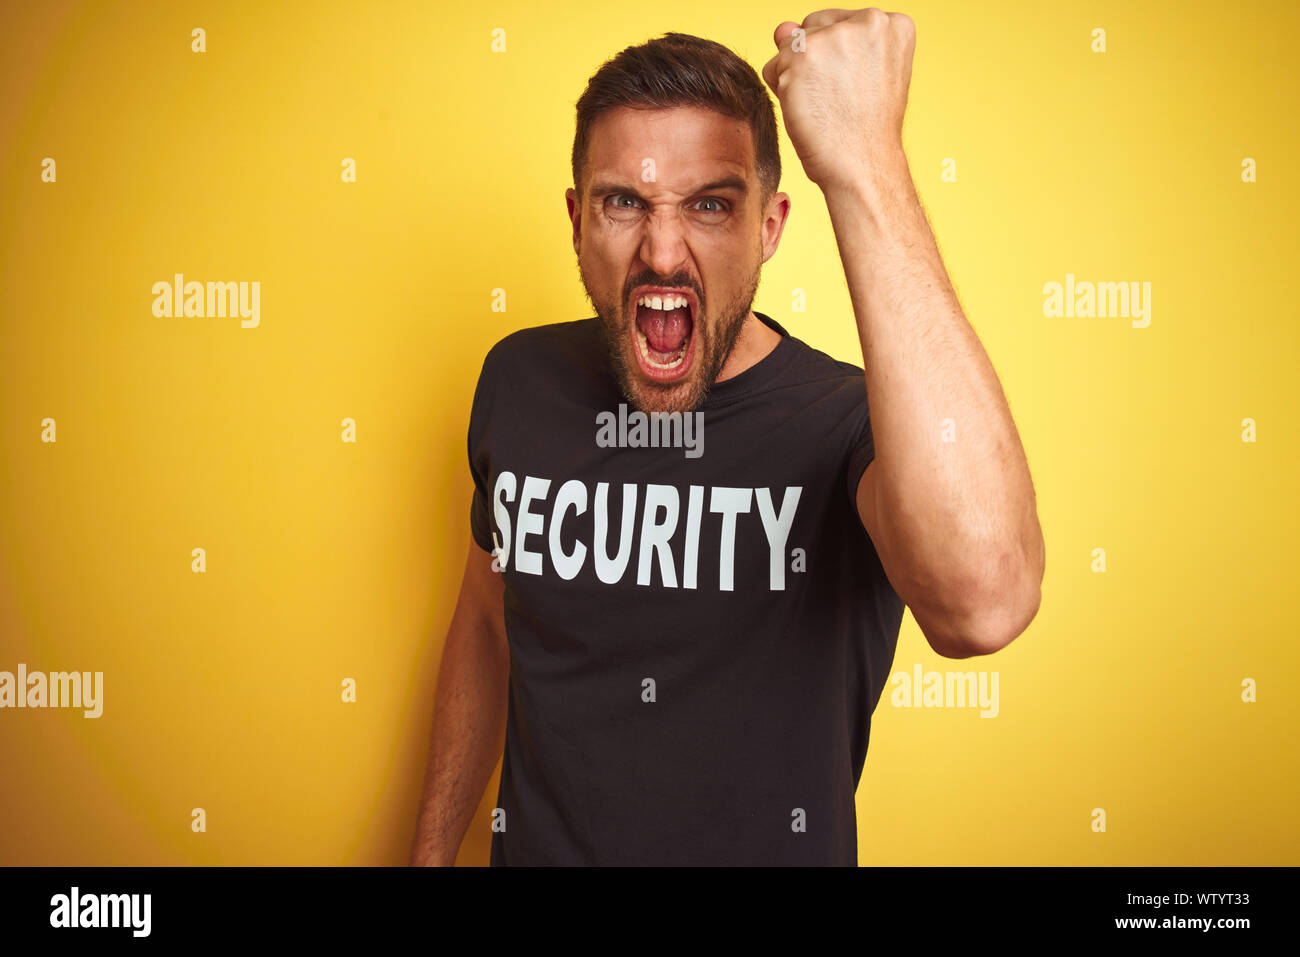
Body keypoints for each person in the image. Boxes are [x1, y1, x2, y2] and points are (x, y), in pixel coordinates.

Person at [411, 10, 1044, 866]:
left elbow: (987, 601)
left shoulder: (853, 428)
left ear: (771, 227)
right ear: (575, 220)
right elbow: (487, 619)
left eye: (711, 205)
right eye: (624, 202)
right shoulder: (518, 380)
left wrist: (867, 160)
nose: (663, 253)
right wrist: (429, 855)